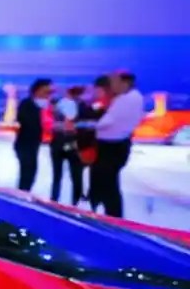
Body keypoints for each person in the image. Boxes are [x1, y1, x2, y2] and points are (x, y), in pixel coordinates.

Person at [91, 71, 143, 218]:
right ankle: (109, 214)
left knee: (109, 184)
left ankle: (113, 218)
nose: (112, 86)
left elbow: (107, 122)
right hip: (114, 145)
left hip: (113, 147)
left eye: (114, 82)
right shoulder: (128, 97)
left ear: (124, 83)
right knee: (108, 183)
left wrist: (88, 126)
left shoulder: (128, 99)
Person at [14, 79, 53, 192]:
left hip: (35, 143)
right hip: (24, 143)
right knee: (27, 170)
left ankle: (25, 192)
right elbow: (25, 121)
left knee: (32, 170)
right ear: (37, 90)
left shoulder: (48, 105)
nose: (47, 94)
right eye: (45, 91)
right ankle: (21, 194)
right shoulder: (26, 104)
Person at [50, 85, 86, 205]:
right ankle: (74, 203)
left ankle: (54, 200)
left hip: (61, 141)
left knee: (59, 174)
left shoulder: (58, 105)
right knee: (75, 174)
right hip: (69, 142)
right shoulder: (79, 106)